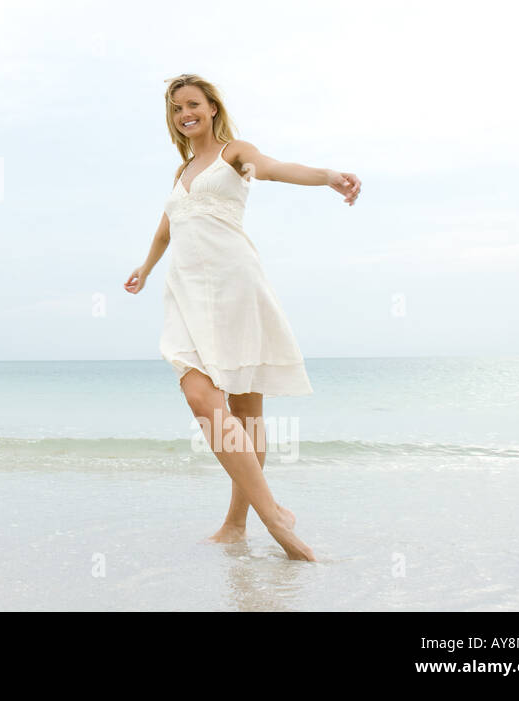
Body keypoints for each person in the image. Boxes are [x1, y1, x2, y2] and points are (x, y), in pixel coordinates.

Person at [123, 74, 361, 562]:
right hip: (185, 292)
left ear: (211, 107)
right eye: (175, 108)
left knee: (247, 410)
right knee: (199, 395)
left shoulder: (234, 152)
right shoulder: (182, 171)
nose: (183, 113)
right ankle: (273, 512)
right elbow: (168, 225)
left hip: (235, 285)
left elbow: (273, 168)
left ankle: (237, 524)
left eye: (192, 104)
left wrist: (329, 176)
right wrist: (145, 268)